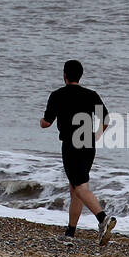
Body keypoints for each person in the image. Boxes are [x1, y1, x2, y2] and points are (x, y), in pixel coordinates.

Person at [40, 59, 117, 245]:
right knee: (76, 187)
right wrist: (96, 136)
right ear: (80, 76)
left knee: (80, 187)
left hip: (71, 146)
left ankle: (103, 219)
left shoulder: (57, 95)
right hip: (88, 145)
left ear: (64, 75)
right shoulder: (91, 95)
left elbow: (47, 123)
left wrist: (41, 121)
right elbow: (106, 119)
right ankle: (70, 232)